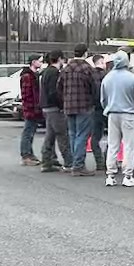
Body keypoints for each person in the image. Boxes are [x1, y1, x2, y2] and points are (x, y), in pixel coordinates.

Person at [101, 50, 134, 187]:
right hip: (129, 114)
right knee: (129, 146)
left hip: (112, 114)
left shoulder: (107, 78)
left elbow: (103, 99)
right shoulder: (133, 78)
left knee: (113, 145)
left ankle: (110, 175)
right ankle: (128, 175)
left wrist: (107, 108)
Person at [59, 43, 99, 177]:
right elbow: (95, 87)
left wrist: (64, 99)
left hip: (69, 106)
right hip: (84, 106)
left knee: (73, 134)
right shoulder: (87, 68)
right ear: (86, 53)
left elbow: (59, 86)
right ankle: (78, 165)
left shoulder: (66, 68)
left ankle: (74, 162)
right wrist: (94, 101)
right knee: (82, 135)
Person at [38, 51, 72, 172]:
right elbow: (54, 92)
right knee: (62, 135)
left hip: (46, 107)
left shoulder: (46, 72)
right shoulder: (54, 73)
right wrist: (61, 104)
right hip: (54, 108)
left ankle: (47, 161)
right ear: (59, 59)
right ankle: (69, 162)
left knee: (50, 135)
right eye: (63, 59)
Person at [18, 53, 44, 166]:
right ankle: (26, 155)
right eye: (40, 61)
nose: (41, 63)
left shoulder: (33, 75)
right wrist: (31, 108)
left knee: (30, 132)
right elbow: (27, 94)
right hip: (31, 109)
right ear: (34, 62)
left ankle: (29, 154)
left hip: (33, 108)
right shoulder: (27, 76)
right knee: (28, 132)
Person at [89, 54, 108, 172]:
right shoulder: (107, 76)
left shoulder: (90, 75)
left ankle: (99, 161)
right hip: (106, 108)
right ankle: (108, 160)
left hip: (94, 109)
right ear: (101, 62)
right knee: (113, 137)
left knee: (95, 137)